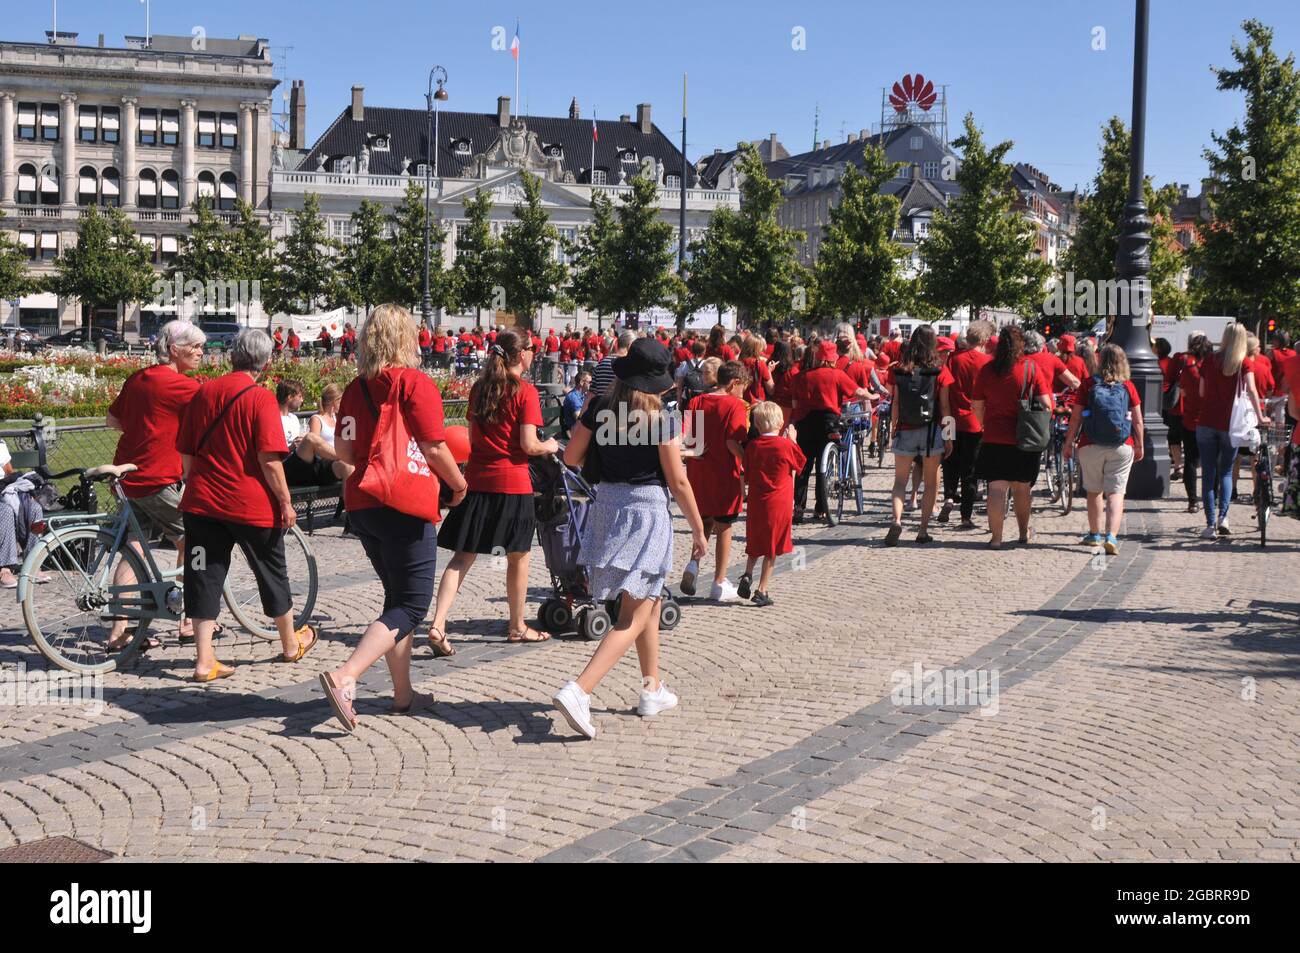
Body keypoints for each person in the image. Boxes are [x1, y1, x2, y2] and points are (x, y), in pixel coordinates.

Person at [319, 304, 467, 732]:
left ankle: (403, 695)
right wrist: (458, 486)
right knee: (413, 604)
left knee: (395, 599)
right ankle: (346, 677)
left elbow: (344, 453)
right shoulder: (415, 383)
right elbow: (435, 446)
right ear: (407, 338)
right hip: (403, 503)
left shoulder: (354, 389)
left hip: (363, 503)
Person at [552, 338, 707, 740]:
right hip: (646, 510)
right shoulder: (662, 418)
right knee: (633, 616)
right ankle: (579, 690)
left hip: (607, 506)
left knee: (648, 600)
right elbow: (677, 479)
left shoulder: (601, 407)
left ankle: (651, 687)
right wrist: (698, 527)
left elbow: (570, 457)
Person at [176, 329, 319, 681]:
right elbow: (270, 460)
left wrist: (195, 485)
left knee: (201, 575)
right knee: (271, 571)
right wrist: (285, 501)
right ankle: (289, 643)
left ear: (231, 356)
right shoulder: (260, 399)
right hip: (250, 505)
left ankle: (204, 659)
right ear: (267, 362)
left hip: (202, 505)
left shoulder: (204, 392)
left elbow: (187, 454)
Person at [430, 331, 559, 647]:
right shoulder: (525, 392)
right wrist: (550, 445)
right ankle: (517, 626)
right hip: (513, 484)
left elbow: (472, 440)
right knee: (519, 557)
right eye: (531, 349)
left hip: (478, 481)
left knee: (463, 557)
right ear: (520, 355)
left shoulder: (479, 389)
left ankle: (437, 624)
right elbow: (528, 445)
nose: (534, 354)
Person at [103, 319, 205, 649]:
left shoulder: (139, 378)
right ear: (175, 350)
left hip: (128, 476)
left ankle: (119, 632)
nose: (201, 352)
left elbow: (113, 419)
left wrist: (147, 430)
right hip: (157, 478)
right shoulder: (178, 385)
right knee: (194, 542)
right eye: (195, 347)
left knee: (133, 547)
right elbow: (214, 409)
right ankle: (188, 620)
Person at [971, 326, 1054, 549]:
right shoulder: (1030, 368)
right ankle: (1022, 533)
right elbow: (1046, 404)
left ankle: (996, 538)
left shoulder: (988, 370)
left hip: (994, 437)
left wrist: (983, 424)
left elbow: (977, 405)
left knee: (996, 489)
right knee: (1022, 489)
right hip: (1024, 439)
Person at [1064, 344, 1144, 554]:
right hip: (1121, 445)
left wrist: (1068, 442)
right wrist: (1139, 444)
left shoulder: (1089, 384)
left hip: (1090, 444)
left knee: (1094, 491)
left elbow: (1076, 417)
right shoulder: (1128, 386)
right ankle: (1112, 537)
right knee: (1116, 493)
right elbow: (1137, 421)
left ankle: (1094, 534)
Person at [681, 360, 749, 602]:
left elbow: (687, 438)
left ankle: (693, 565)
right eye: (743, 387)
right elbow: (734, 442)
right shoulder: (735, 405)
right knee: (725, 526)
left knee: (704, 522)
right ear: (734, 384)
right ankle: (719, 581)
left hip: (698, 472)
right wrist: (747, 461)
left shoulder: (696, 401)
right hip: (724, 473)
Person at [1196, 322, 1270, 537]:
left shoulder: (1209, 361)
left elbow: (1201, 391)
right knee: (1226, 471)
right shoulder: (1244, 363)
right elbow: (1253, 391)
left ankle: (1210, 524)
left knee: (1208, 474)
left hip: (1206, 422)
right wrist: (1260, 416)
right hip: (1232, 426)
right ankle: (1223, 517)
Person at [885, 325, 954, 545]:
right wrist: (949, 435)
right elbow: (945, 407)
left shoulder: (901, 368)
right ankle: (922, 530)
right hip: (931, 432)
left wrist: (894, 429)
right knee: (931, 484)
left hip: (905, 429)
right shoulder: (940, 369)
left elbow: (895, 403)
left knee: (899, 483)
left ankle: (896, 520)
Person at [791, 338, 871, 525]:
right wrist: (873, 395)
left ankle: (799, 507)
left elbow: (795, 405)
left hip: (806, 423)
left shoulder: (800, 377)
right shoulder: (836, 374)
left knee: (804, 466)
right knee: (824, 465)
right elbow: (858, 391)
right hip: (829, 423)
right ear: (831, 359)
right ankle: (821, 508)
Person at [738, 401, 805, 606]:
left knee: (756, 540)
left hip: (758, 500)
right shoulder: (785, 445)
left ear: (757, 425)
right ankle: (762, 589)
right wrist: (793, 441)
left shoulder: (753, 446)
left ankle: (748, 573)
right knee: (771, 547)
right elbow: (800, 464)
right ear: (780, 422)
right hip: (780, 501)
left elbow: (747, 474)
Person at [941, 320, 993, 528]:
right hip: (974, 421)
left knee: (950, 461)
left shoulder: (953, 359)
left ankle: (949, 498)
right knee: (970, 471)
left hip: (952, 418)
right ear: (982, 340)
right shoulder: (985, 362)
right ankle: (965, 515)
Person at [283, 383, 353, 487]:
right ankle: (347, 457)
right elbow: (315, 448)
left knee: (348, 467)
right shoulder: (317, 419)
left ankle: (346, 503)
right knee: (311, 438)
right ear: (335, 401)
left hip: (334, 462)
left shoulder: (339, 419)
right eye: (342, 400)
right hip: (321, 463)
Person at [1176, 334, 1210, 513]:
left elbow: (1183, 393)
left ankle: (1192, 500)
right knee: (1212, 461)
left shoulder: (1188, 368)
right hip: (1210, 420)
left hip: (1190, 418)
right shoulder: (1212, 368)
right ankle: (1211, 498)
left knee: (1190, 461)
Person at [593, 330, 635, 397]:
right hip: (620, 405)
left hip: (600, 404)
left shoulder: (601, 363)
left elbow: (591, 393)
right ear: (630, 345)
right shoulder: (628, 365)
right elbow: (623, 396)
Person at [740, 335, 774, 403]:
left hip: (742, 400)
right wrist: (769, 371)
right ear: (757, 349)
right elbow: (771, 390)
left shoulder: (738, 362)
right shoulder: (759, 363)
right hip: (756, 402)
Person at [561, 371, 592, 436]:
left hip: (580, 430)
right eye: (589, 382)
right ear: (581, 382)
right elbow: (579, 418)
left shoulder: (582, 395)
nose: (591, 384)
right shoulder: (574, 397)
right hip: (575, 432)